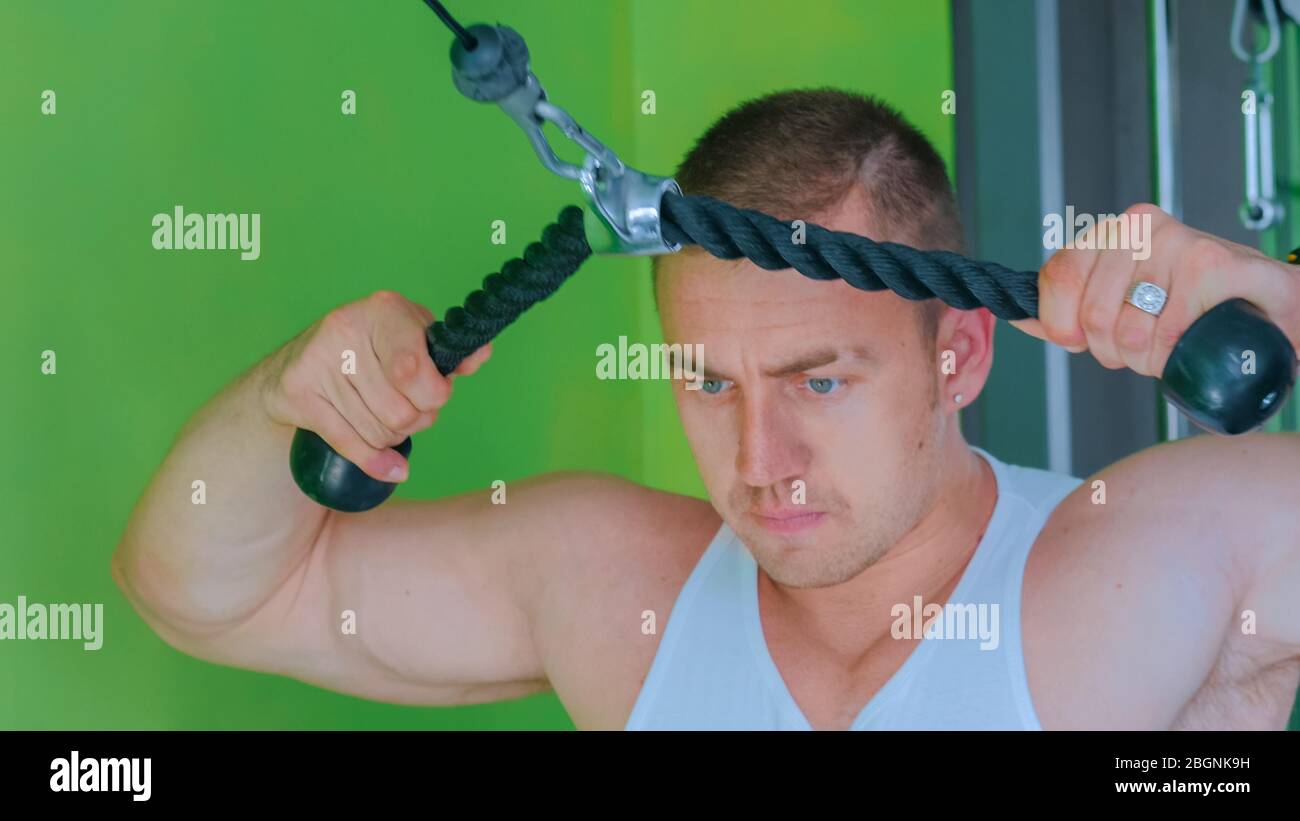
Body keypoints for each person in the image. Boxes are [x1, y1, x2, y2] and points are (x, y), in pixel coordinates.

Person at [112, 88, 1300, 730]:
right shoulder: (613, 586)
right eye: (708, 381)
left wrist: (1283, 301)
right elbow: (211, 594)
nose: (756, 457)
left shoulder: (1160, 555)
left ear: (961, 354)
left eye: (817, 380)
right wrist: (283, 403)